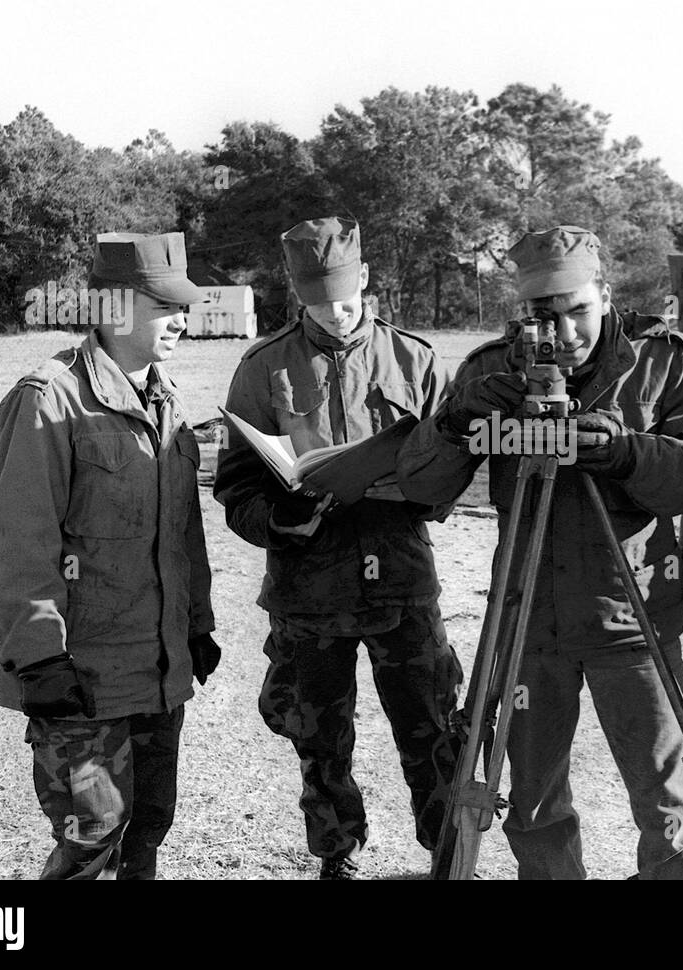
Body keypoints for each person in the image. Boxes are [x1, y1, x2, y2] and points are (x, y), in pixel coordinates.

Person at [398, 226, 683, 880]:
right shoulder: (491, 369)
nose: (566, 331)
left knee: (664, 798)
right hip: (530, 621)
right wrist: (455, 425)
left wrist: (624, 452)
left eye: (579, 308)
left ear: (606, 294)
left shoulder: (662, 360)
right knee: (532, 800)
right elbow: (421, 487)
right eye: (546, 314)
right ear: (523, 313)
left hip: (629, 620)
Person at [214, 217, 461, 880]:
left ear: (367, 282)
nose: (336, 313)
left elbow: (452, 475)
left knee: (433, 728)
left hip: (402, 582)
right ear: (298, 296)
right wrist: (283, 515)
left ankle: (448, 853)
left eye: (346, 299)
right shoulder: (263, 368)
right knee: (319, 738)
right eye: (319, 303)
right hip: (309, 590)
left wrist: (417, 486)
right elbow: (236, 487)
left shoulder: (415, 359)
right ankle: (336, 853)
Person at [0, 231, 219, 880]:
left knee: (145, 833)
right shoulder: (49, 398)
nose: (181, 320)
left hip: (158, 670)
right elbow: (20, 541)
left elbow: (181, 536)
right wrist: (39, 658)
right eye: (164, 306)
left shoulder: (167, 402)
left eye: (182, 306)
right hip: (81, 676)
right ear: (115, 308)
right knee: (93, 839)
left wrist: (196, 623)